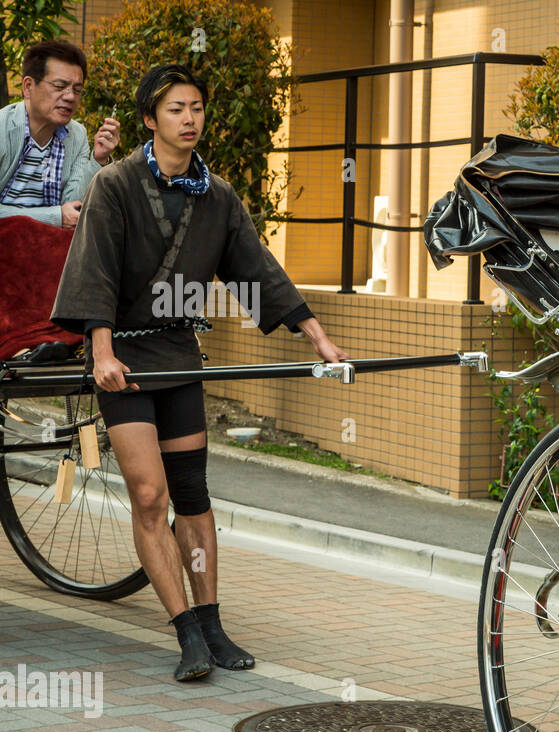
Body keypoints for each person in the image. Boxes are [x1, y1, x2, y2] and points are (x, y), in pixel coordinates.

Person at [50, 64, 349, 683]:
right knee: (149, 494)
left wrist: (316, 336)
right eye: (176, 109)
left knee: (192, 494)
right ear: (149, 120)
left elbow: (256, 269)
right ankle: (185, 631)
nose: (190, 120)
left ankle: (211, 620)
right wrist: (101, 352)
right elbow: (96, 271)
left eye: (196, 109)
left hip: (178, 357)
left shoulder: (218, 197)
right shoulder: (115, 184)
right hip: (124, 362)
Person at [1, 40, 120, 229]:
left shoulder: (76, 135)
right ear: (28, 86)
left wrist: (99, 159)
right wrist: (54, 216)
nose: (70, 96)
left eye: (77, 90)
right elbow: (61, 216)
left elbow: (73, 208)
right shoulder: (3, 128)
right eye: (59, 86)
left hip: (51, 247)